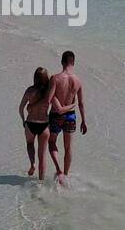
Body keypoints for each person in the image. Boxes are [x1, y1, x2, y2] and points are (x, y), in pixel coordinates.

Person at [47, 51, 86, 186]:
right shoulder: (78, 80)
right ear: (73, 62)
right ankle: (66, 176)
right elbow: (80, 103)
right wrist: (84, 121)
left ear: (62, 62)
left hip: (55, 116)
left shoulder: (55, 78)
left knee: (52, 142)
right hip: (71, 116)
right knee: (68, 147)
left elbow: (49, 99)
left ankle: (59, 170)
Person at [18, 67, 53, 179]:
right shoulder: (49, 92)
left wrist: (23, 120)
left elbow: (21, 107)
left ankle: (32, 164)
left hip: (31, 122)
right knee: (42, 156)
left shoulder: (29, 90)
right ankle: (41, 181)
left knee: (29, 144)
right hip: (44, 123)